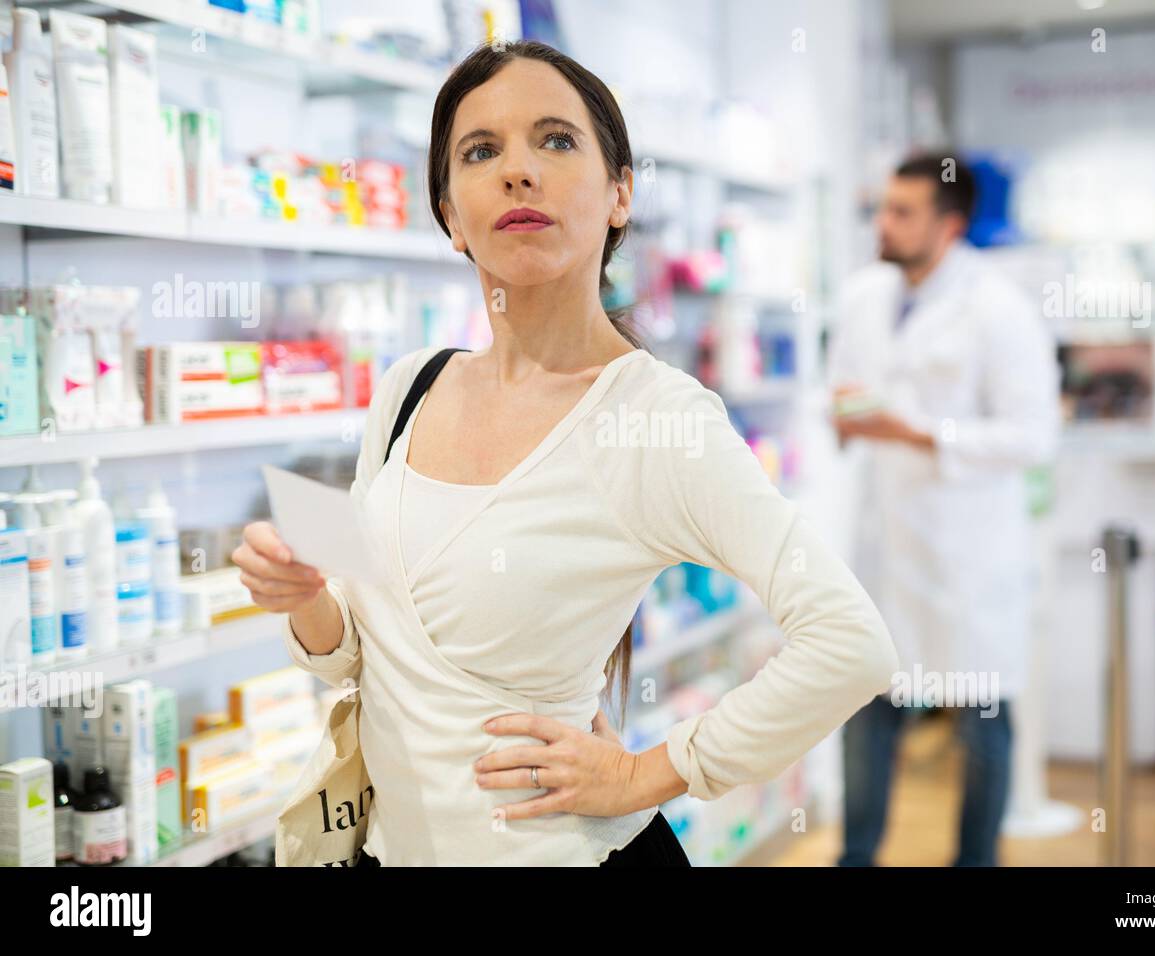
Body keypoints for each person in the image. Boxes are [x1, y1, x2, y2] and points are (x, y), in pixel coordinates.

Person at [231, 40, 898, 866]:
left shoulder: (655, 418)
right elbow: (360, 656)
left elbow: (851, 641)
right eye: (480, 152)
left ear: (620, 194)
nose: (518, 172)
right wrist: (301, 593)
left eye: (555, 140)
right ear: (448, 215)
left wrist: (652, 773)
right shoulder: (411, 387)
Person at [827, 153, 1060, 867]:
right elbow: (840, 390)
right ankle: (856, 858)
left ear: (950, 225)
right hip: (885, 551)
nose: (885, 225)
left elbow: (1033, 436)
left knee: (983, 724)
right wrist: (846, 416)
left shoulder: (998, 309)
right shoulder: (865, 295)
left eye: (904, 212)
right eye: (884, 208)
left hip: (966, 560)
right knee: (867, 714)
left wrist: (923, 431)